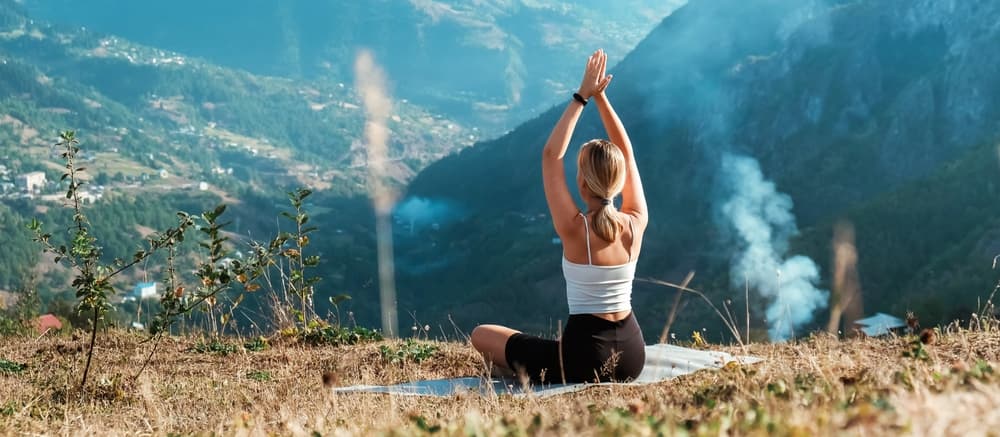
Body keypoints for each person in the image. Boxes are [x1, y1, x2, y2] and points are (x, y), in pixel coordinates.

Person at [471, 49, 648, 383]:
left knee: (482, 334)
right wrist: (602, 99)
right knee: (543, 346)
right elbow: (627, 153)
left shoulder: (574, 228)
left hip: (583, 361)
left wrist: (583, 96)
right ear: (619, 180)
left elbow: (551, 155)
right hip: (633, 357)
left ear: (581, 183)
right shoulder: (636, 223)